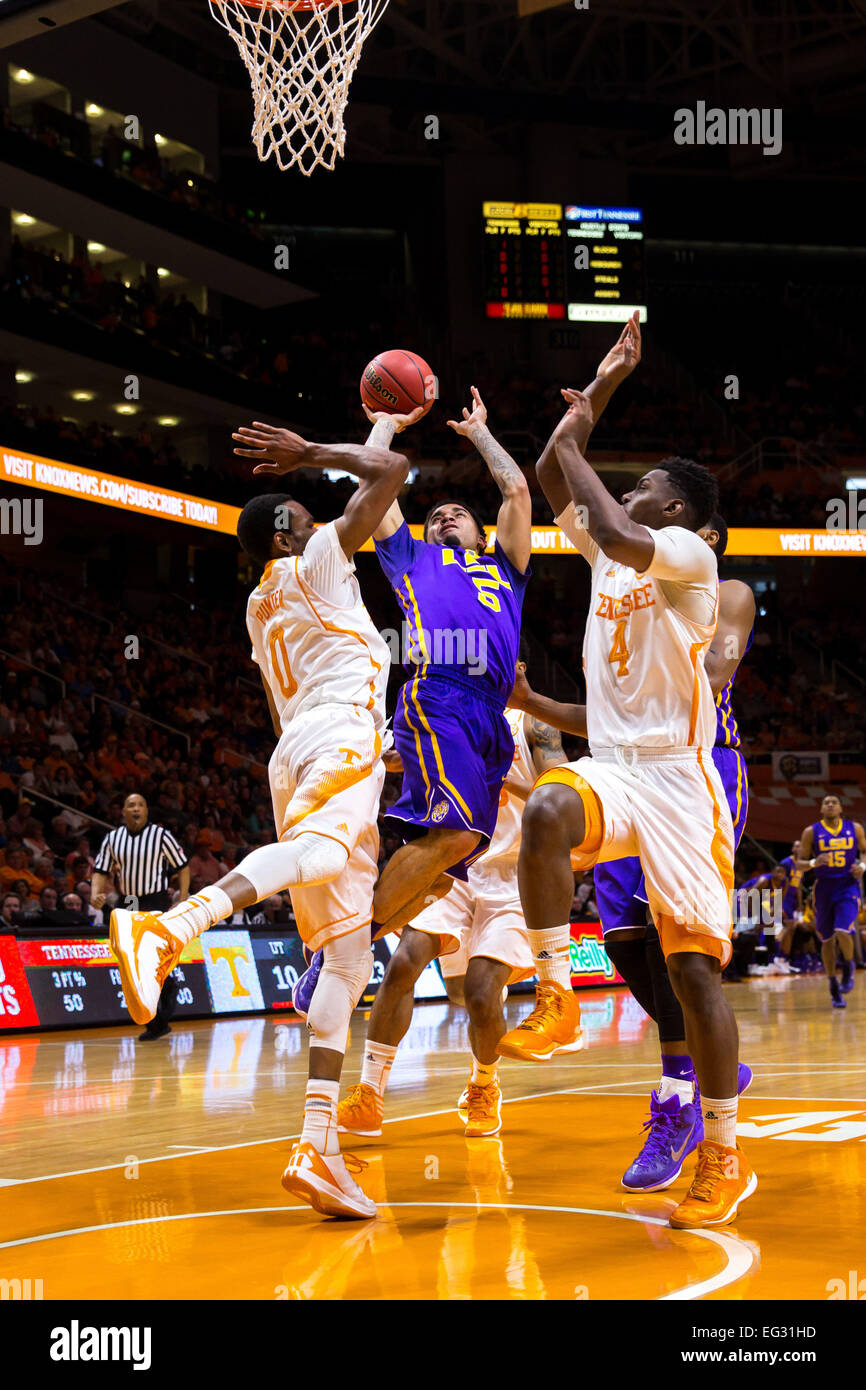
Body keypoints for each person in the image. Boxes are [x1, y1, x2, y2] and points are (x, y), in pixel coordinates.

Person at [110, 413, 418, 1219]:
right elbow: (392, 478)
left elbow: (380, 472)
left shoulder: (258, 604)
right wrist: (322, 450)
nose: (325, 523)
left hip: (303, 748)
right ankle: (169, 929)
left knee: (348, 961)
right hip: (338, 734)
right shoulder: (316, 557)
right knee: (316, 857)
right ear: (291, 532)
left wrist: (380, 418)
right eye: (312, 517)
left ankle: (317, 1148)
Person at [505, 365, 755, 1230]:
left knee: (691, 970)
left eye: (645, 484)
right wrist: (598, 391)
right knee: (543, 811)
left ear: (676, 510)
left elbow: (603, 518)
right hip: (613, 761)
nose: (629, 490)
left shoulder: (689, 557)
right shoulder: (609, 556)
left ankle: (723, 1154)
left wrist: (582, 432)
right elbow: (550, 476)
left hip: (681, 778)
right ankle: (553, 993)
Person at [337, 696, 566, 1142]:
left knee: (480, 994)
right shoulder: (446, 711)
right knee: (404, 962)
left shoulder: (533, 724)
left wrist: (498, 779)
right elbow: (402, 759)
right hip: (453, 865)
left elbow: (559, 797)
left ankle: (483, 1084)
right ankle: (369, 1092)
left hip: (514, 875)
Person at [364, 385, 532, 943]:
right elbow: (375, 492)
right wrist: (386, 425)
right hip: (439, 692)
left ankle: (346, 950)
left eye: (457, 514)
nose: (445, 519)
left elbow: (515, 490)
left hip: (491, 715)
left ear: (480, 534)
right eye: (436, 515)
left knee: (442, 867)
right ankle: (346, 944)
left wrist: (479, 432)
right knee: (456, 835)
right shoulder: (411, 556)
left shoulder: (505, 569)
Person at [92, 793, 190, 1040]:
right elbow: (100, 869)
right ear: (123, 812)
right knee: (133, 959)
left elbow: (182, 866)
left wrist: (184, 896)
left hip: (155, 898)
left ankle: (162, 1011)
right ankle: (153, 1022)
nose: (136, 809)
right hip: (129, 901)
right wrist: (95, 892)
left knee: (157, 958)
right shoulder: (113, 838)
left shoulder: (160, 836)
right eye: (130, 805)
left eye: (140, 805)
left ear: (146, 811)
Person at [798, 794, 866, 1008]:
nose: (829, 805)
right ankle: (833, 986)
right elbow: (799, 864)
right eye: (825, 802)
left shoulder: (854, 828)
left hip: (847, 885)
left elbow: (864, 852)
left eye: (833, 802)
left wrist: (863, 867)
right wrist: (812, 862)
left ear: (840, 808)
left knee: (843, 930)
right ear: (821, 809)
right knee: (827, 940)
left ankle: (848, 965)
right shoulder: (811, 832)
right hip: (824, 888)